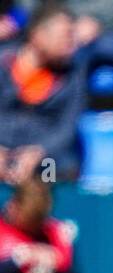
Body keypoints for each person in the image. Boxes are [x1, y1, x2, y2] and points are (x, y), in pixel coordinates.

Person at [0, 2, 86, 183]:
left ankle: (48, 207)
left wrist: (39, 152)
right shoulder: (4, 64)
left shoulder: (72, 77)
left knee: (56, 167)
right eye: (65, 36)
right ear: (37, 34)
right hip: (3, 150)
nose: (71, 44)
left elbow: (67, 128)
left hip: (43, 157)